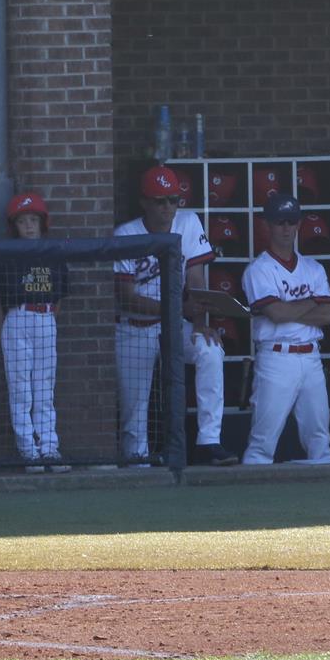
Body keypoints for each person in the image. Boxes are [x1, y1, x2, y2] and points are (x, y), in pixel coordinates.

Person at [113, 165, 233, 467]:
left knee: (210, 350)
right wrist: (178, 310)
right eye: (160, 201)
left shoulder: (188, 222)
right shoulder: (125, 234)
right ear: (144, 202)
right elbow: (126, 298)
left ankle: (209, 441)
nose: (168, 207)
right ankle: (137, 463)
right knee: (135, 410)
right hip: (134, 328)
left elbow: (196, 277)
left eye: (173, 200)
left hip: (173, 323)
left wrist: (200, 325)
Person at [240, 195, 330, 465]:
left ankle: (326, 502)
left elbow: (329, 315)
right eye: (279, 222)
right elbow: (276, 313)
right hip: (276, 357)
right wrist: (311, 303)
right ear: (267, 225)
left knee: (320, 438)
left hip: (311, 358)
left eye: (291, 222)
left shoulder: (313, 268)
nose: (286, 228)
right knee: (263, 441)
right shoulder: (258, 269)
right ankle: (250, 503)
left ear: (299, 224)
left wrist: (291, 309)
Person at [0, 190, 67, 471]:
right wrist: (3, 331)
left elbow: (59, 296)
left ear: (42, 223)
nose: (29, 226)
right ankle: (28, 452)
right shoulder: (6, 255)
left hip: (45, 317)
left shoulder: (53, 253)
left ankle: (49, 448)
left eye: (33, 219)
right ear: (15, 225)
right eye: (23, 220)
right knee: (21, 389)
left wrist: (48, 319)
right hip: (17, 317)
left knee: (44, 389)